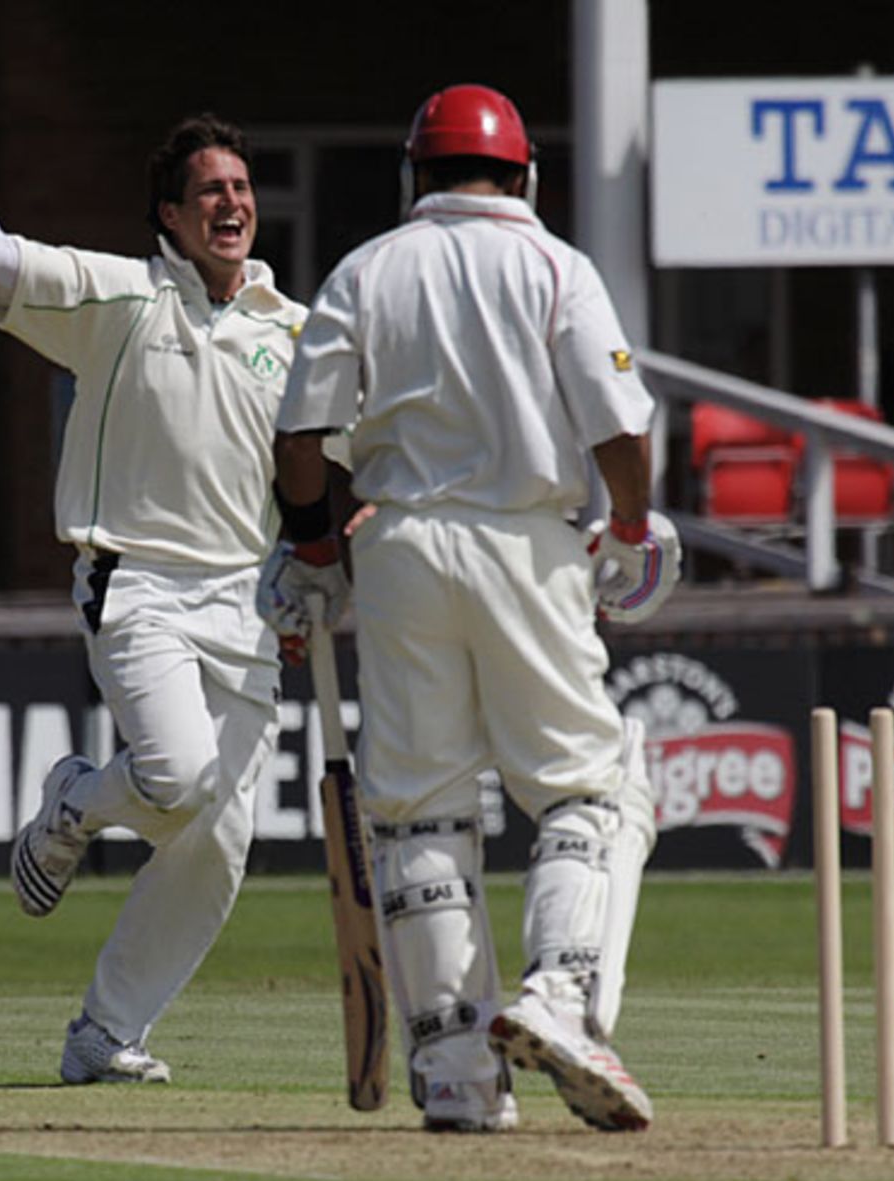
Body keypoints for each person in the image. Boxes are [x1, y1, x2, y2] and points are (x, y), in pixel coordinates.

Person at [256, 83, 679, 1133]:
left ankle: (452, 1065)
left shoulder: (365, 269)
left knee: (419, 809)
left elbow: (301, 439)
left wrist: (312, 545)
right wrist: (630, 527)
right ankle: (561, 995)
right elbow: (620, 430)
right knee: (593, 789)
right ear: (524, 174)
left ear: (417, 176)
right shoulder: (552, 266)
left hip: (397, 551)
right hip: (525, 542)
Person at [0, 61, 307, 1084]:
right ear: (172, 218)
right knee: (175, 778)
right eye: (209, 192)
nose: (231, 204)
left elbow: (327, 476)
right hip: (138, 584)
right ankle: (73, 803)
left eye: (241, 188)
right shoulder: (122, 299)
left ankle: (104, 1031)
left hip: (249, 606)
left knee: (217, 847)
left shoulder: (295, 333)